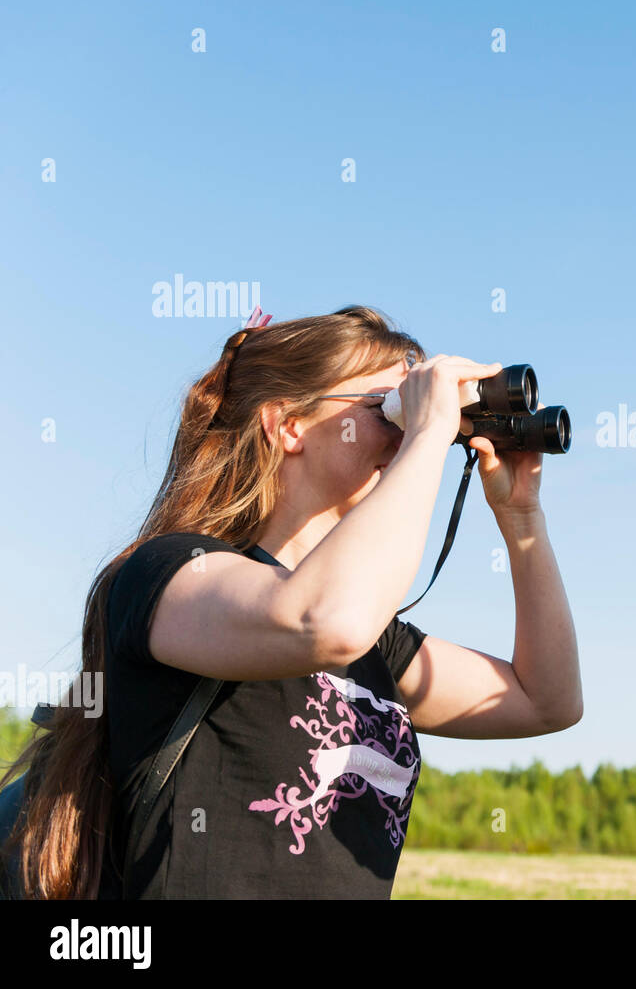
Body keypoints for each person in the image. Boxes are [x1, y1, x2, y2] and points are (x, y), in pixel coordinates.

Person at [0, 305, 580, 899]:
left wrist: (521, 516)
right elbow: (322, 621)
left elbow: (547, 701)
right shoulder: (168, 573)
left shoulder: (374, 635)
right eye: (386, 406)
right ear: (288, 426)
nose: (406, 430)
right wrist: (429, 435)